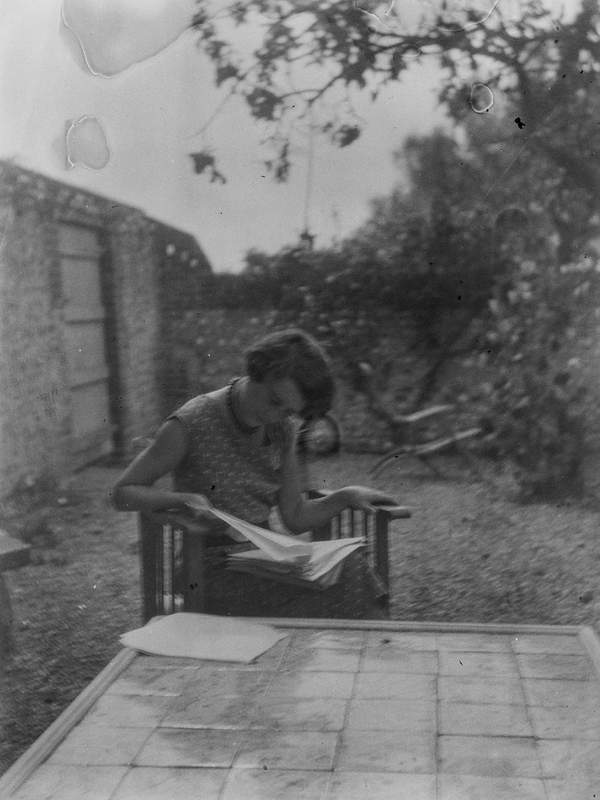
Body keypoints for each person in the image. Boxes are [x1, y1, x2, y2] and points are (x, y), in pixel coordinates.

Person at [111, 328, 397, 617]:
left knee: (353, 570)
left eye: (287, 411)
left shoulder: (282, 430)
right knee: (325, 599)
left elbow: (295, 517)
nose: (276, 416)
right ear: (258, 369)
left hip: (265, 561)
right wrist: (180, 499)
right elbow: (123, 492)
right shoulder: (192, 421)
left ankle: (374, 656)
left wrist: (345, 496)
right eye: (274, 401)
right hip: (208, 567)